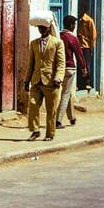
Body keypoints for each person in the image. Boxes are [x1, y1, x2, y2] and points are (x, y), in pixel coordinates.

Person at [25, 13, 65, 141]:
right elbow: (31, 63)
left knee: (51, 110)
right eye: (39, 27)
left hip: (52, 82)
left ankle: (50, 133)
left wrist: (58, 77)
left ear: (49, 28)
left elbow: (60, 63)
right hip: (36, 80)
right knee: (32, 105)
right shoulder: (34, 43)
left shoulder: (57, 43)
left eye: (43, 27)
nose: (41, 29)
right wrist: (27, 80)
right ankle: (35, 130)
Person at [56, 15, 88, 129]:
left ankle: (72, 117)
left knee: (67, 92)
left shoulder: (58, 36)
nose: (75, 26)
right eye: (74, 24)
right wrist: (84, 69)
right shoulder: (72, 38)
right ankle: (58, 120)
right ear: (71, 25)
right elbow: (79, 55)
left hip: (58, 69)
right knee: (65, 94)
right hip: (69, 69)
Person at [78, 12, 98, 90]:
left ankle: (87, 82)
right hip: (80, 45)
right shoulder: (80, 21)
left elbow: (93, 35)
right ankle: (81, 84)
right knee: (81, 65)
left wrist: (91, 47)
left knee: (86, 65)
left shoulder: (89, 21)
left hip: (86, 46)